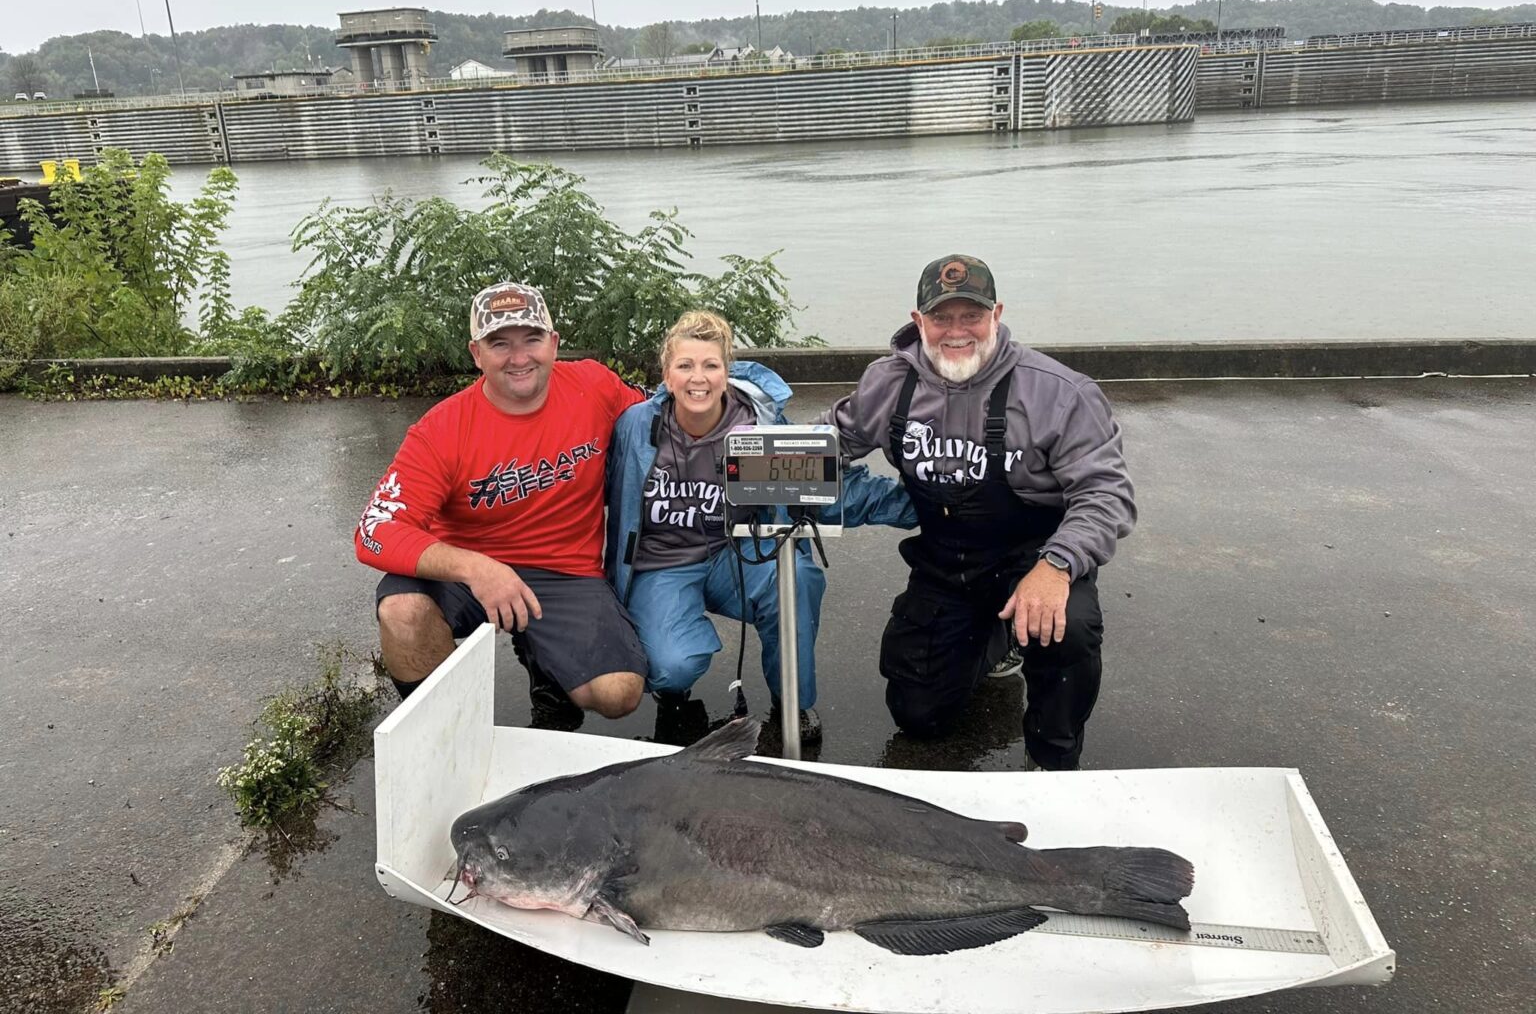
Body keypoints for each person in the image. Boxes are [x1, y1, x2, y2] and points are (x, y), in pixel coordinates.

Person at [825, 255, 1135, 770]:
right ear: (918, 320)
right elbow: (825, 443)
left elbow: (1106, 495)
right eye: (942, 318)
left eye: (971, 315)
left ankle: (1054, 755)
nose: (956, 331)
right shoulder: (887, 384)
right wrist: (728, 448)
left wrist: (1056, 567)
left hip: (1031, 556)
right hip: (945, 561)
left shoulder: (1060, 393)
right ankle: (997, 638)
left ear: (997, 315)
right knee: (917, 714)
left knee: (1069, 627)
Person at [606, 310, 913, 746]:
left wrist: (922, 506)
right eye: (685, 365)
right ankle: (674, 682)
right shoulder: (635, 427)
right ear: (666, 376)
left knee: (799, 579)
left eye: (711, 365)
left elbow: (822, 487)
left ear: (727, 374)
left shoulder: (756, 428)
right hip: (662, 565)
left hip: (738, 553)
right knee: (671, 667)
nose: (699, 378)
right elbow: (586, 486)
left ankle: (794, 699)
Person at [355, 281, 649, 730]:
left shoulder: (594, 386)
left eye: (532, 339)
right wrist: (477, 568)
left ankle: (546, 665)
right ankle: (447, 730)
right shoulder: (442, 429)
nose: (519, 358)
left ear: (553, 344)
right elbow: (374, 531)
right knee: (403, 613)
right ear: (477, 354)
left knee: (619, 693)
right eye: (499, 344)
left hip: (566, 571)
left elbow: (664, 421)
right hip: (468, 574)